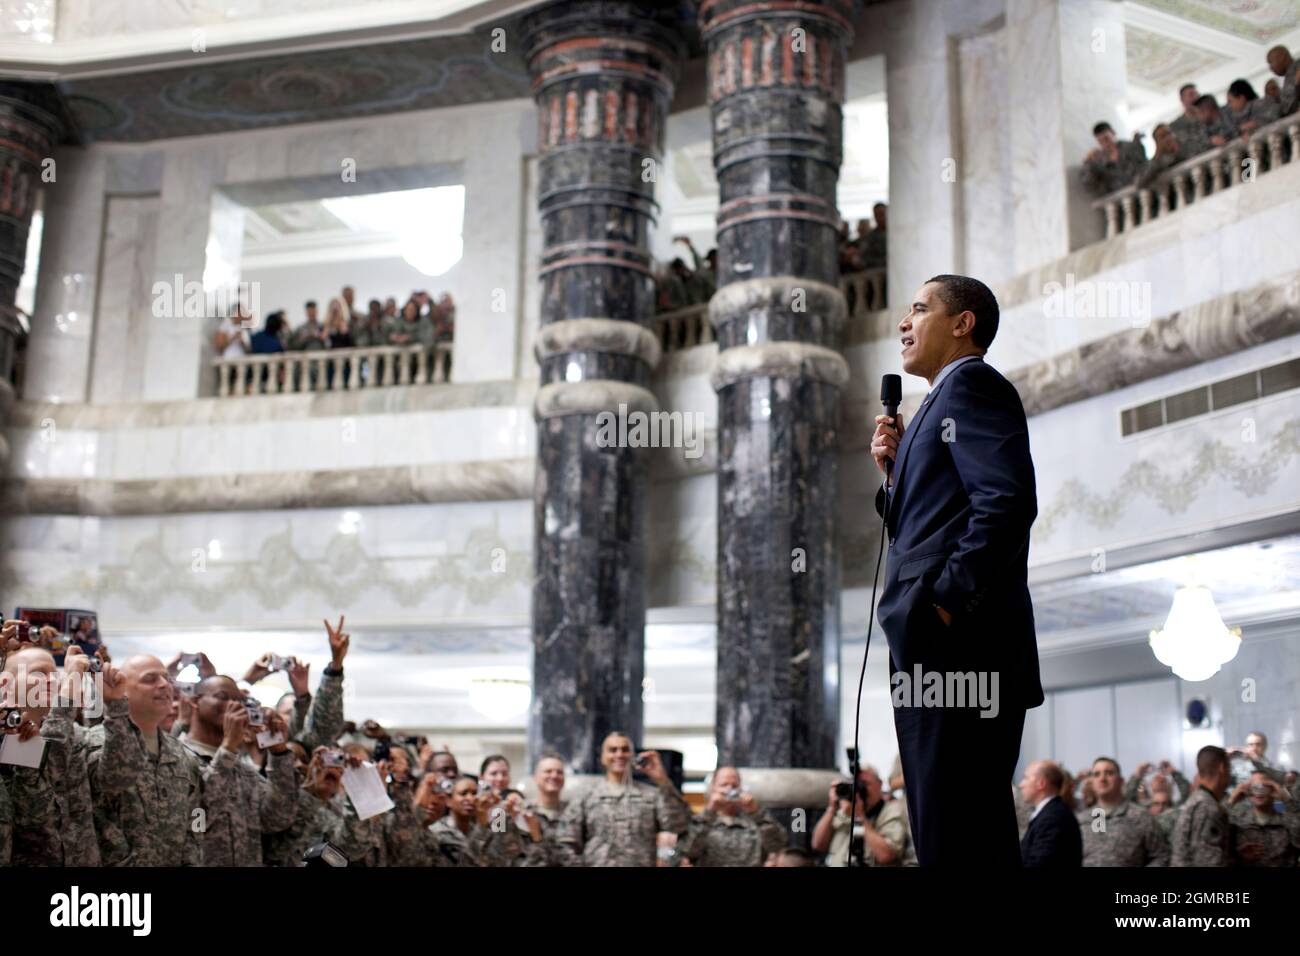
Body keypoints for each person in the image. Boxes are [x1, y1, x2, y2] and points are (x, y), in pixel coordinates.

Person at [869, 274, 1039, 867]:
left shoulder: (972, 388)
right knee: (946, 829)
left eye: (920, 309)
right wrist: (893, 477)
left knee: (961, 830)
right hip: (931, 641)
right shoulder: (932, 406)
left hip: (957, 641)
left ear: (962, 323)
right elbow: (928, 523)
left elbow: (1006, 504)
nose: (903, 323)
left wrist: (943, 601)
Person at [81, 655, 205, 865]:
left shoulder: (184, 756)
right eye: (150, 679)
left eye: (167, 678)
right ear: (122, 689)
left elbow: (195, 822)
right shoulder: (91, 745)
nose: (165, 685)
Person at [178, 674, 297, 866]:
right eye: (224, 697)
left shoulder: (241, 768)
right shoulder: (175, 757)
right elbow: (196, 821)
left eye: (239, 701)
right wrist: (228, 748)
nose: (234, 706)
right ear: (195, 701)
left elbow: (277, 819)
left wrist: (278, 752)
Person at [0, 644, 99, 865]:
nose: (52, 681)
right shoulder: (5, 739)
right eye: (38, 673)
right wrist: (71, 683)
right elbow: (34, 817)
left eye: (56, 675)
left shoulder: (76, 734)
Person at [558, 732, 690, 866]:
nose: (619, 755)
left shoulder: (651, 795)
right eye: (613, 750)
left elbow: (680, 824)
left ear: (633, 756)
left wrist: (662, 780)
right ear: (603, 757)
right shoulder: (585, 796)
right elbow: (566, 842)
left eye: (625, 750)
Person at [265, 748, 384, 866]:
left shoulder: (332, 815)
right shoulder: (281, 807)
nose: (332, 768)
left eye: (339, 763)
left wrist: (359, 792)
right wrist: (310, 789)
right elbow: (275, 849)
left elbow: (348, 850)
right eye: (326, 761)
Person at [679, 767, 785, 867]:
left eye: (734, 786)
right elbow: (687, 850)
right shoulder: (700, 821)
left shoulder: (755, 820)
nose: (729, 790)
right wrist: (710, 811)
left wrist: (756, 812)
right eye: (723, 785)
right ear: (712, 788)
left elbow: (778, 844)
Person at [1078, 757, 1168, 867]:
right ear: (1092, 783)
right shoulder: (1082, 820)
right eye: (1097, 774)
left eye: (1109, 773)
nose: (1102, 778)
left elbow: (1161, 856)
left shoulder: (1140, 817)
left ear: (1121, 781)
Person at [1171, 745, 1231, 867]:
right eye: (1230, 769)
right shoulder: (1207, 808)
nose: (1230, 775)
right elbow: (1209, 861)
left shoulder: (1197, 800)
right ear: (1222, 768)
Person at [1227, 771, 1300, 867]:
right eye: (1254, 787)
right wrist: (1231, 801)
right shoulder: (1237, 820)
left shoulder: (1287, 821)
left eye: (1264, 786)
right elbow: (1217, 843)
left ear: (1273, 790)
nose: (1259, 792)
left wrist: (1286, 799)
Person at [1018, 761, 1082, 867]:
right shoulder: (1050, 813)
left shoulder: (1052, 818)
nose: (1021, 785)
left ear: (1041, 783)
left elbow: (1040, 863)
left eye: (1026, 778)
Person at [1081, 122, 1147, 194]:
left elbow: (1144, 167)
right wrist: (1088, 162)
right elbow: (1089, 185)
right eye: (1100, 141)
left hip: (1140, 190)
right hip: (1118, 198)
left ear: (1113, 133)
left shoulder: (1131, 147)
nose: (1105, 144)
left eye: (1106, 139)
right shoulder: (1099, 160)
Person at [1169, 83, 1209, 157]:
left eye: (1197, 94)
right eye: (1191, 95)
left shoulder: (1208, 117)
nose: (1196, 98)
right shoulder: (1176, 125)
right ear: (1182, 99)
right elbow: (1185, 148)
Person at [1266, 45, 1300, 116]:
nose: (1271, 68)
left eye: (1271, 62)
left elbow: (1290, 105)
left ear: (1282, 57)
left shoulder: (1297, 67)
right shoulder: (1289, 76)